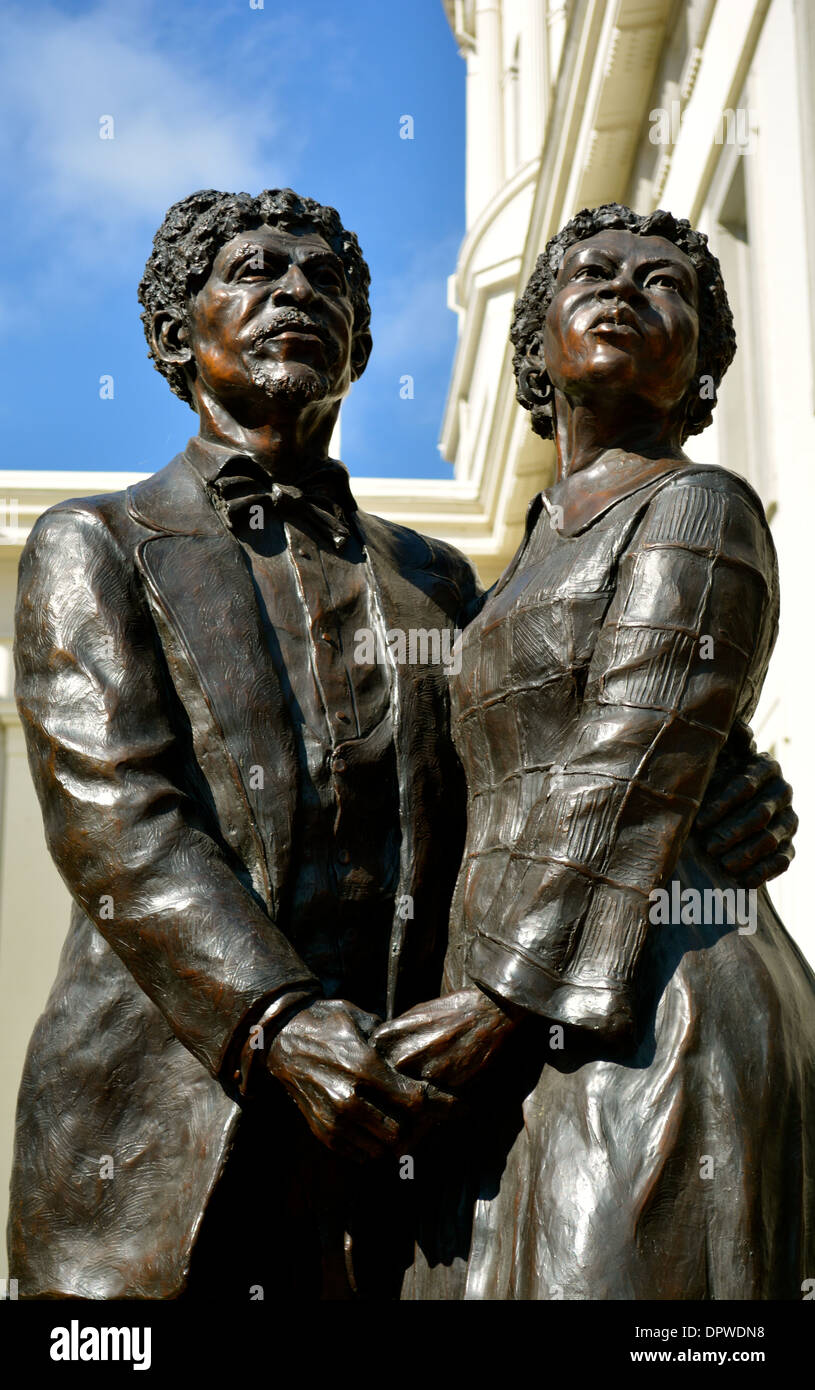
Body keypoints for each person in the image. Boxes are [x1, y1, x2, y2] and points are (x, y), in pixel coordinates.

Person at [7, 191, 796, 1301]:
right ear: (177, 334)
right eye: (254, 271)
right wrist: (276, 1024)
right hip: (166, 1140)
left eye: (324, 281)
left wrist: (725, 779)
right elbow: (119, 822)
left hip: (394, 1173)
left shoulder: (440, 583)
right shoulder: (94, 545)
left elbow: (559, 741)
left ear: (362, 347)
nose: (293, 292)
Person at [375, 204, 814, 1301]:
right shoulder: (512, 565)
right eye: (593, 273)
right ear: (536, 340)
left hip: (654, 1007)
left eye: (663, 284)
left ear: (702, 367)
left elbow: (631, 757)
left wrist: (499, 998)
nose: (624, 289)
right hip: (516, 1031)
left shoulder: (695, 506)